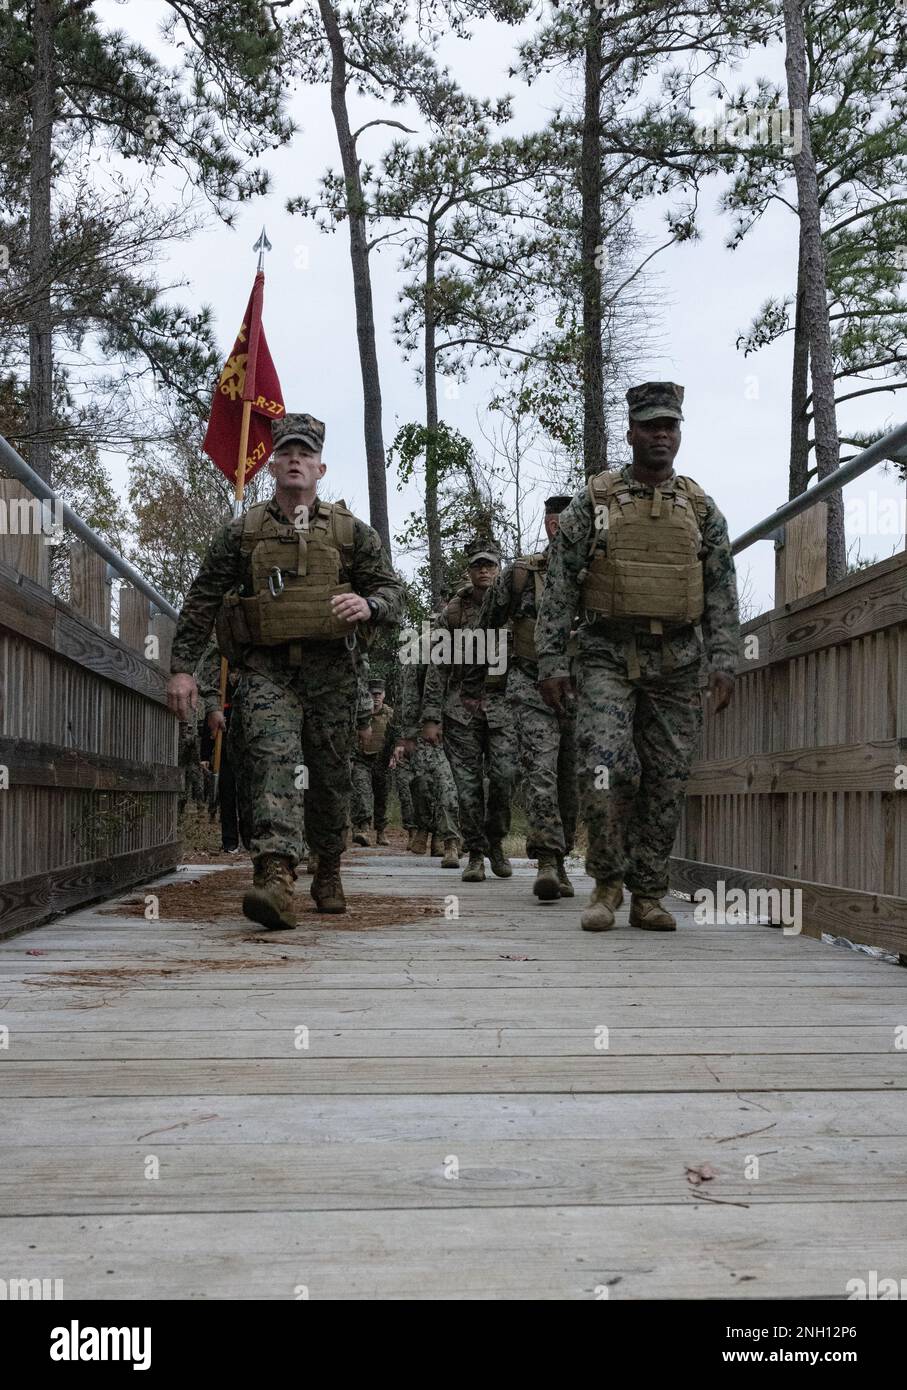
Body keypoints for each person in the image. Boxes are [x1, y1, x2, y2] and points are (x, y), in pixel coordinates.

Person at [166, 412, 405, 927]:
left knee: (329, 777)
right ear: (272, 464)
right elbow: (202, 599)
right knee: (273, 764)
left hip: (333, 675)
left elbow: (392, 592)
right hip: (267, 672)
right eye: (286, 453)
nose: (295, 460)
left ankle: (329, 868)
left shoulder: (349, 534)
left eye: (305, 454)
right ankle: (274, 877)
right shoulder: (244, 533)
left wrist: (370, 606)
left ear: (320, 467)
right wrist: (183, 668)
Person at [536, 382, 739, 932]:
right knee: (604, 765)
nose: (660, 435)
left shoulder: (699, 507)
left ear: (679, 433)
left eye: (669, 425)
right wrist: (552, 660)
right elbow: (558, 583)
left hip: (677, 661)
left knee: (667, 777)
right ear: (631, 432)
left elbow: (721, 587)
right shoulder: (597, 501)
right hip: (606, 653)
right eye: (650, 425)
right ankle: (606, 882)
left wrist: (724, 659)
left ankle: (648, 891)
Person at [465, 496, 579, 901]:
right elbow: (483, 626)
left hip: (586, 689)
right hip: (531, 684)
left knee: (572, 779)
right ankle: (547, 860)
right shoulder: (521, 575)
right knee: (542, 771)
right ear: (550, 525)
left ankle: (563, 859)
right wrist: (480, 682)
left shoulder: (598, 572)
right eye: (562, 520)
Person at [421, 539, 516, 883]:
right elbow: (437, 668)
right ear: (469, 570)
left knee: (504, 778)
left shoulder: (512, 606)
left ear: (499, 567)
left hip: (503, 707)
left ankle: (496, 843)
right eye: (478, 565)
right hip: (460, 710)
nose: (484, 570)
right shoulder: (454, 613)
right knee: (468, 787)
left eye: (490, 564)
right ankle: (475, 852)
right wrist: (431, 717)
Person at [393, 631, 460, 867]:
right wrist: (408, 735)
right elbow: (410, 692)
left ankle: (450, 840)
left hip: (462, 726)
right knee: (426, 783)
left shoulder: (478, 637)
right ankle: (427, 828)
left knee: (453, 786)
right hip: (426, 729)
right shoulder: (422, 646)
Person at [350, 677, 397, 845]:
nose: (376, 697)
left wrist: (393, 755)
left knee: (382, 797)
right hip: (362, 759)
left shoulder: (390, 714)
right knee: (361, 792)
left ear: (384, 695)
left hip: (382, 761)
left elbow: (397, 736)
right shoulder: (360, 714)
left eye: (379, 694)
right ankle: (363, 828)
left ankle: (381, 831)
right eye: (373, 693)